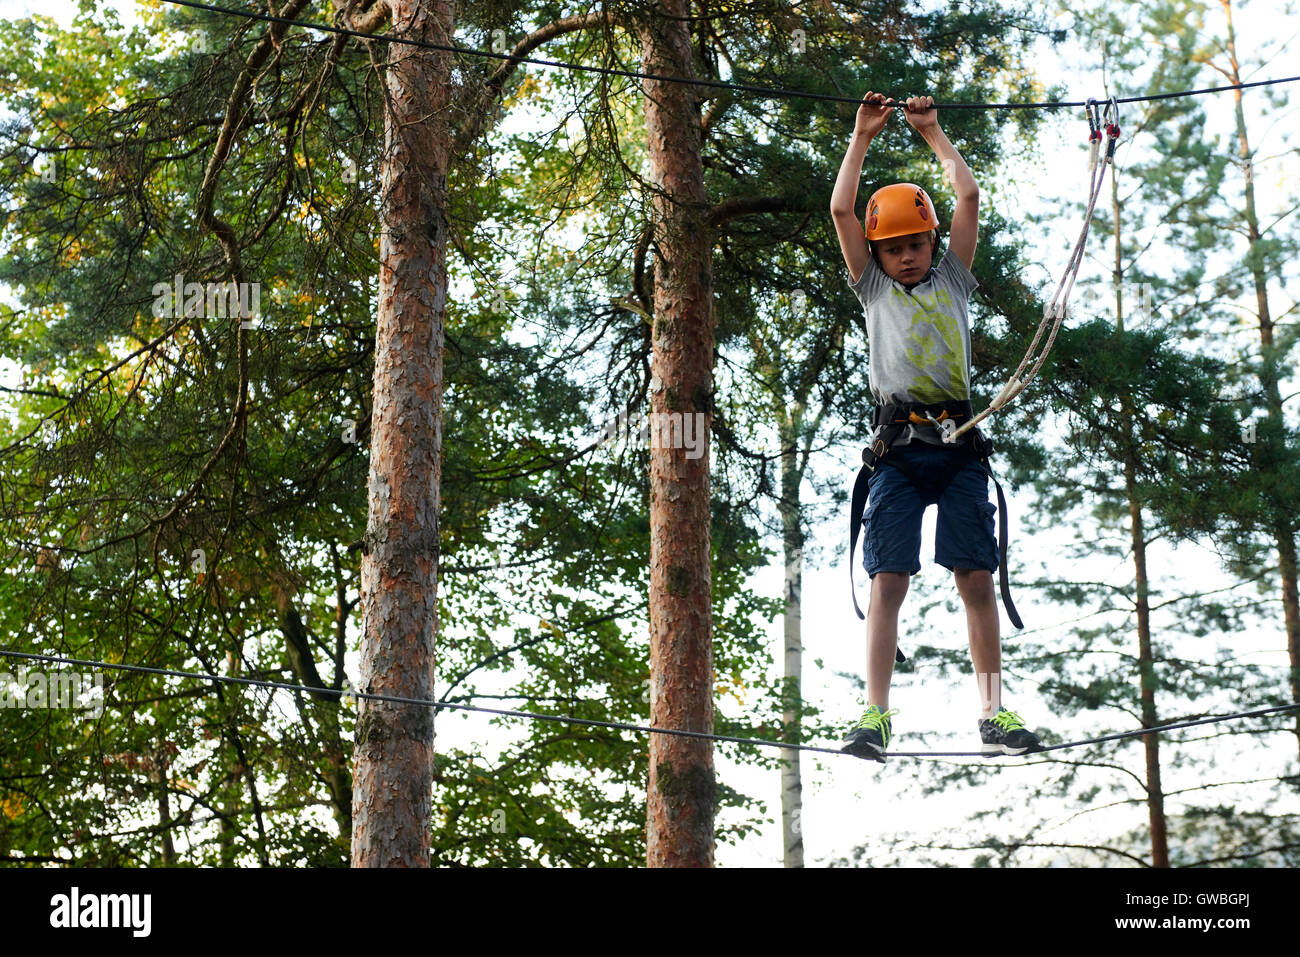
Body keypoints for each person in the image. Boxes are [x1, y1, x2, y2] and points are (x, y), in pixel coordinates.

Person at [828, 92, 1042, 762]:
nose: (908, 257)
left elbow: (969, 196)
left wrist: (934, 134)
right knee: (888, 578)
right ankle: (875, 713)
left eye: (917, 244)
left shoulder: (953, 278)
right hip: (896, 453)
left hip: (959, 450)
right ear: (878, 255)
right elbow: (841, 210)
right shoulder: (873, 287)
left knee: (975, 577)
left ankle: (992, 709)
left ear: (933, 244)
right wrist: (862, 136)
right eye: (894, 249)